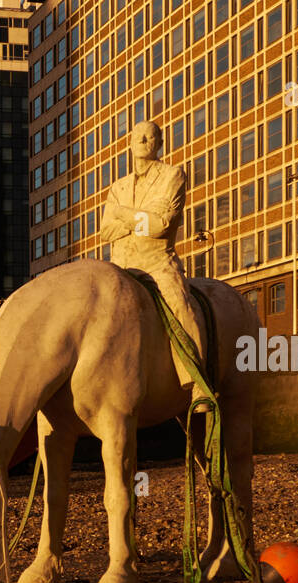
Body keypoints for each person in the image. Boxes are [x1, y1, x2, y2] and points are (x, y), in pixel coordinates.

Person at [98, 120, 208, 407]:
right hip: (120, 266)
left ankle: (197, 380)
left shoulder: (173, 175)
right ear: (130, 143)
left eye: (151, 137)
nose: (144, 140)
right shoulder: (118, 186)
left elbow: (159, 226)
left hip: (157, 264)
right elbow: (105, 231)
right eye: (139, 136)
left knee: (180, 304)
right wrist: (138, 218)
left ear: (159, 144)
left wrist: (122, 214)